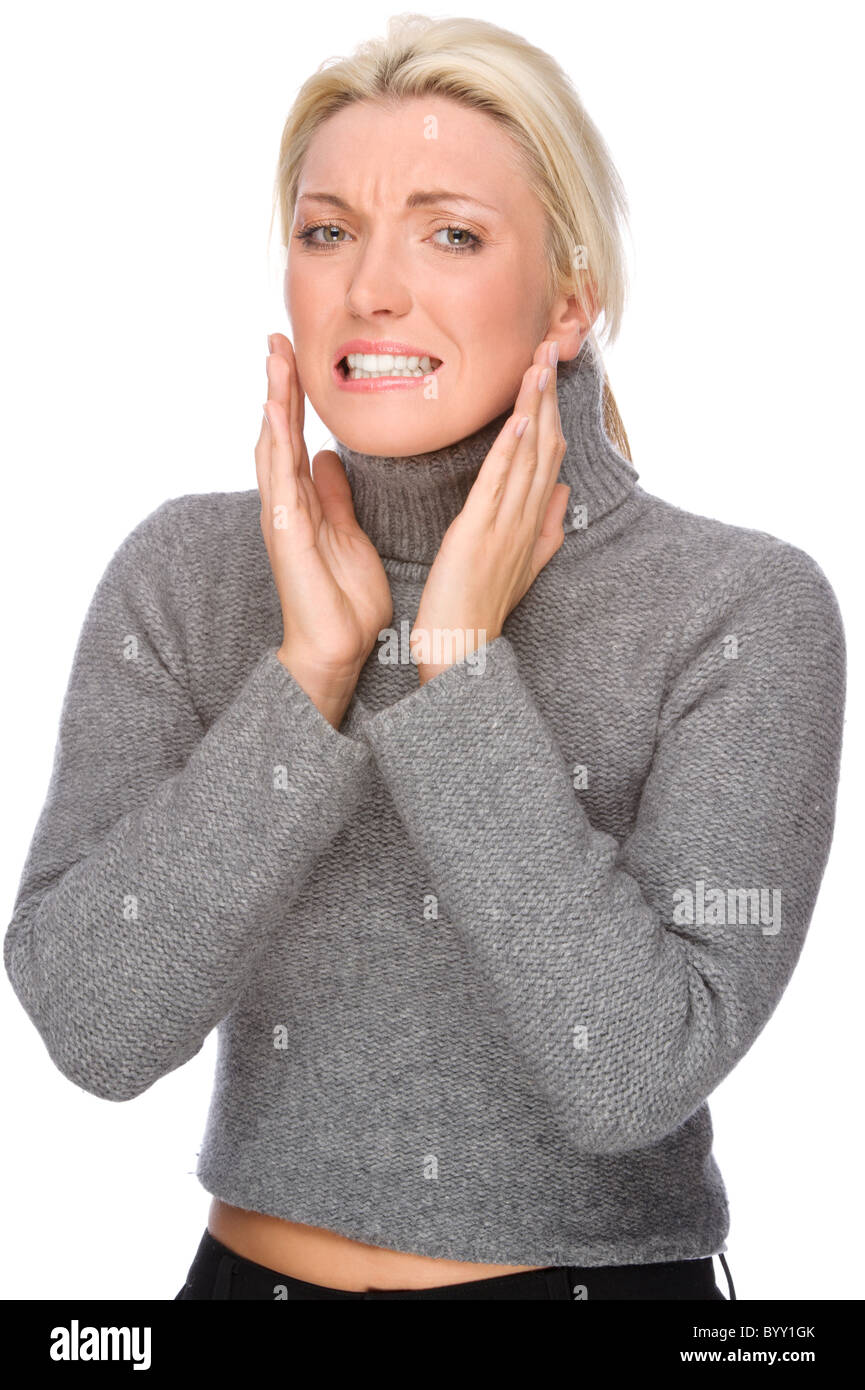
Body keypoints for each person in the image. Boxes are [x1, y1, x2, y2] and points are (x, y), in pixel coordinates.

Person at [5, 15, 844, 1302]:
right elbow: (93, 1027)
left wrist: (458, 667)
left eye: (449, 233)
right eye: (327, 229)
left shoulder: (739, 607)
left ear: (570, 295)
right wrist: (303, 681)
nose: (369, 288)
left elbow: (630, 1072)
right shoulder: (186, 570)